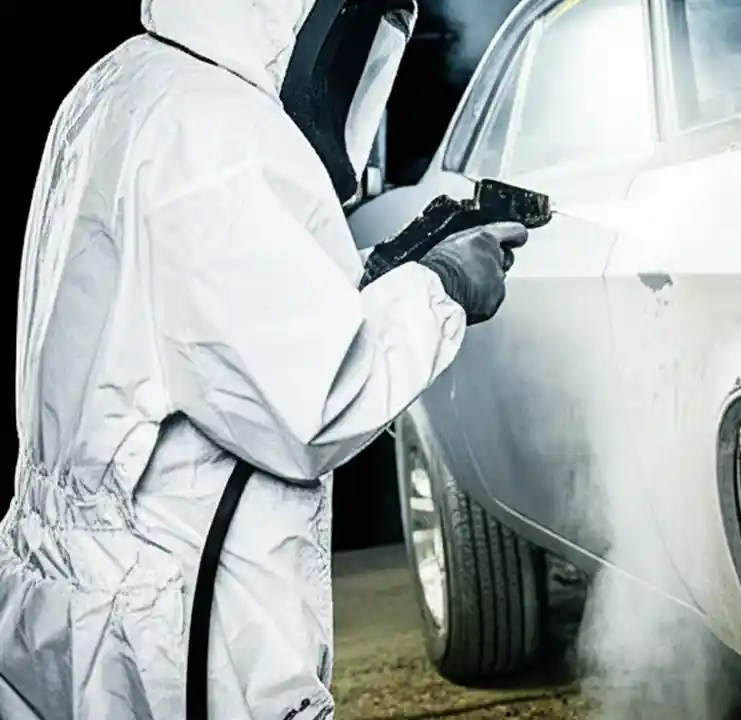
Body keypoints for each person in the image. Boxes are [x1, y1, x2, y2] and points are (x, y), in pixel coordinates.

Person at [0, 1, 525, 717]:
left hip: (72, 602)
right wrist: (444, 288)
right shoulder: (221, 131)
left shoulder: (124, 82)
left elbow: (211, 311)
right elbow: (314, 402)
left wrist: (383, 273)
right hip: (182, 626)